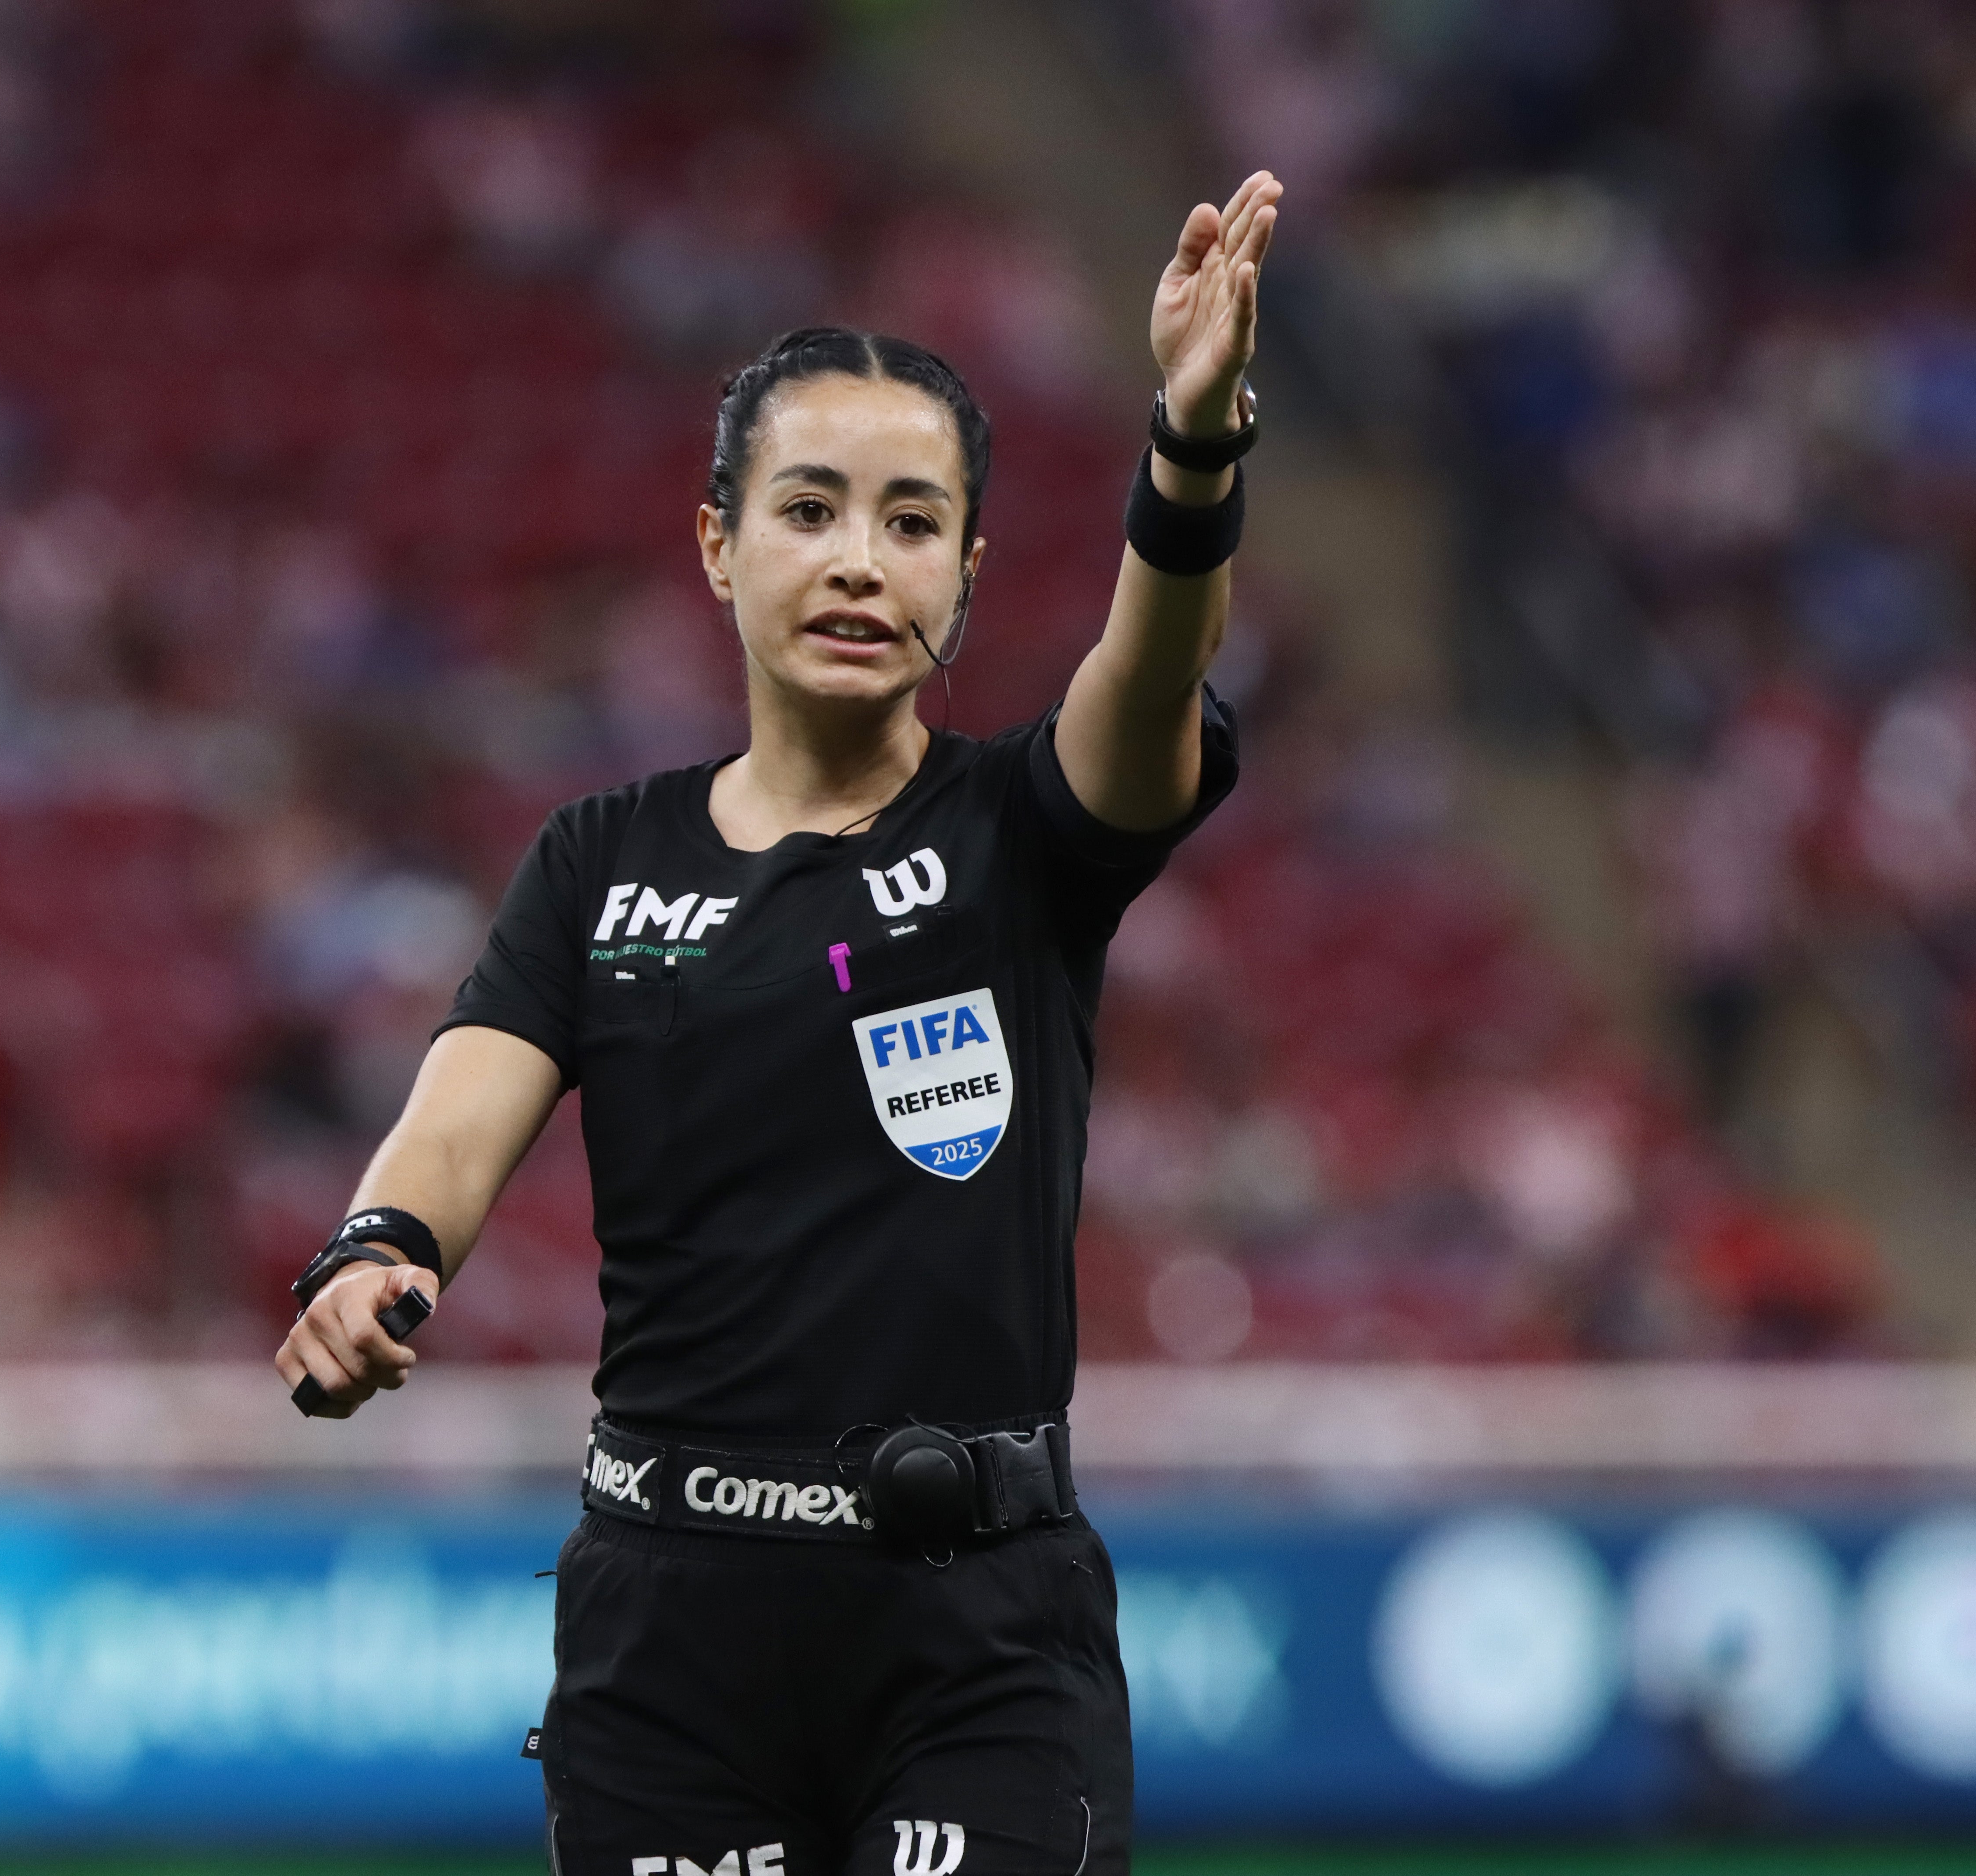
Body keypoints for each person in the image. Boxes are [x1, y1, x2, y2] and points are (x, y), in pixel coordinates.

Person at [277, 171, 1282, 1876]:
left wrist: (1189, 450)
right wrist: (375, 1247)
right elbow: (461, 1114)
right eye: (810, 507)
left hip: (980, 1630)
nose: (857, 560)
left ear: (967, 574)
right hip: (672, 1642)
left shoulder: (1024, 836)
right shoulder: (601, 858)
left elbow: (1146, 675)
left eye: (911, 522)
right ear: (717, 543)